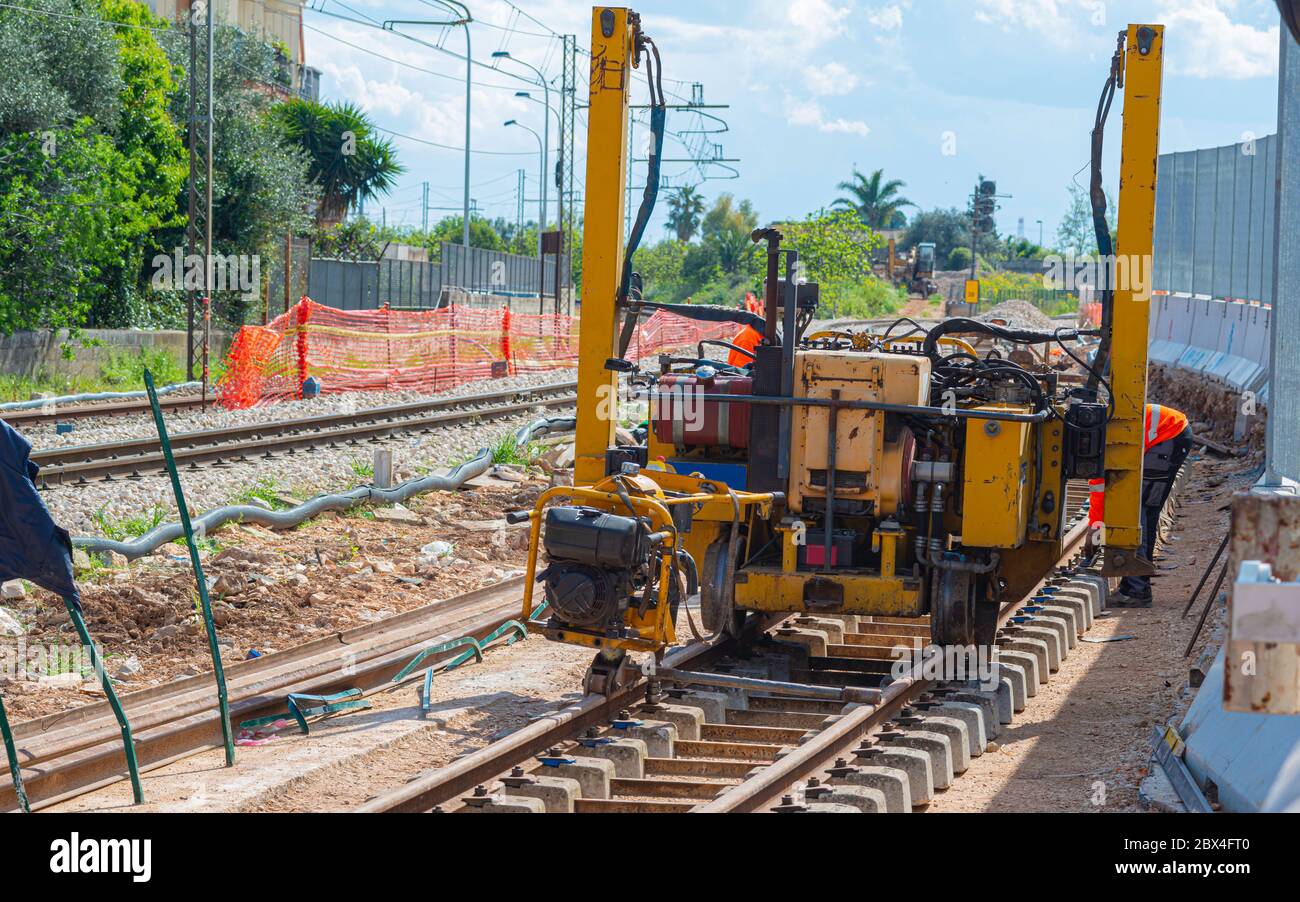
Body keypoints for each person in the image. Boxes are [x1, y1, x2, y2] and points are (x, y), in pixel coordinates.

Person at [1108, 403, 1194, 608]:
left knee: (1137, 509)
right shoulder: (1105, 427)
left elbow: (1100, 490)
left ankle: (1137, 590)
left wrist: (1094, 527)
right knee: (1147, 511)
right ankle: (1138, 585)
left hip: (1169, 436)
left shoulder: (1104, 439)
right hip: (1173, 434)